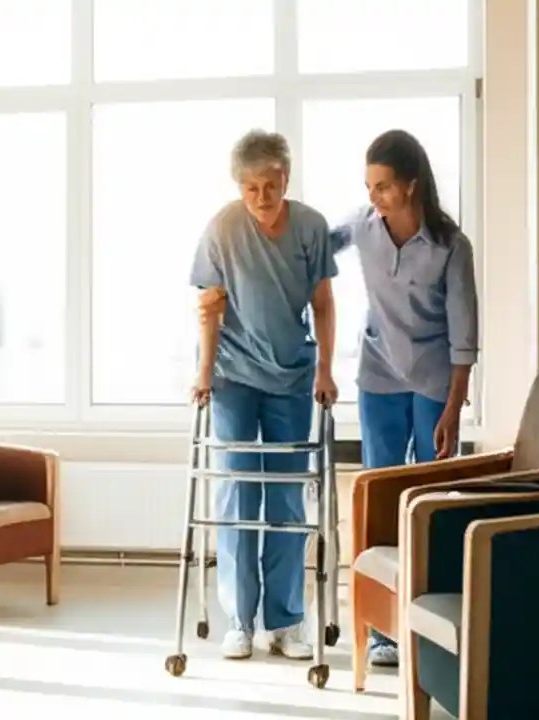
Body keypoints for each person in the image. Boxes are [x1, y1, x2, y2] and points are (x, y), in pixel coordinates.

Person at [330, 129, 480, 668]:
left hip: (435, 378)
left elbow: (465, 336)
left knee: (429, 493)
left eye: (384, 186)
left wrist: (454, 406)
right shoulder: (363, 227)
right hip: (379, 374)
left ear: (411, 185)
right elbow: (313, 245)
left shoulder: (450, 246)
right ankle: (383, 629)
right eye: (369, 186)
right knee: (382, 489)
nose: (374, 197)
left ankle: (431, 615)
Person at [189, 129, 339, 661]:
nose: (261, 197)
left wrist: (325, 370)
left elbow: (323, 303)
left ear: (286, 179)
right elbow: (210, 308)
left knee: (286, 499)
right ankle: (240, 621)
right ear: (239, 186)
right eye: (250, 187)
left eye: (270, 185)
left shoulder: (311, 227)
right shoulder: (223, 228)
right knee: (238, 492)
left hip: (292, 376)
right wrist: (203, 373)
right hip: (233, 375)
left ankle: (286, 622)